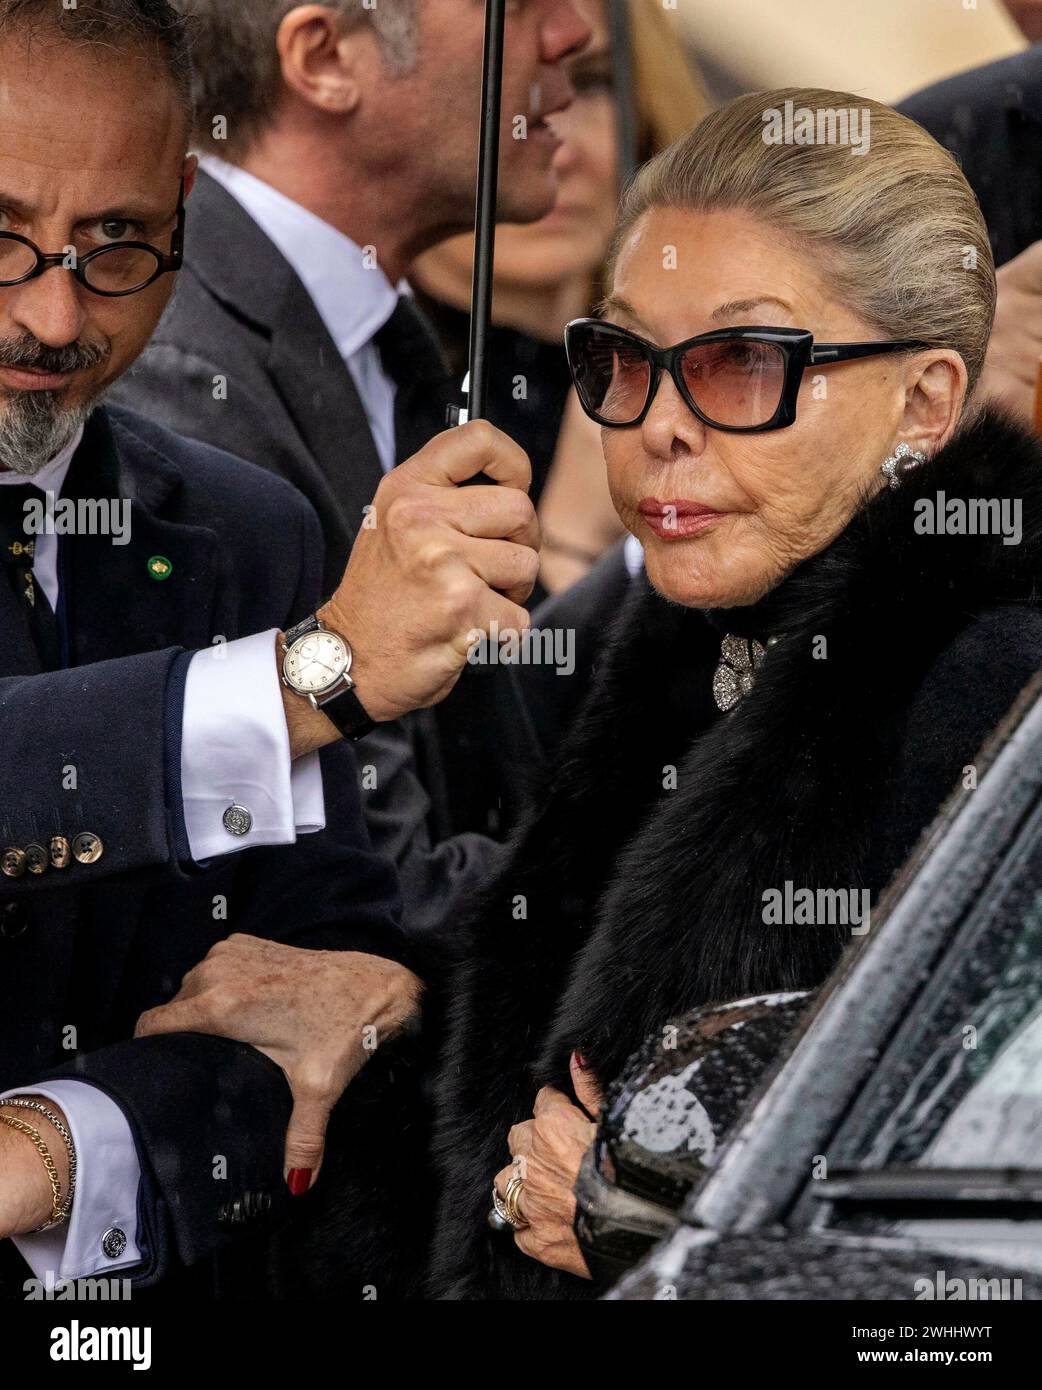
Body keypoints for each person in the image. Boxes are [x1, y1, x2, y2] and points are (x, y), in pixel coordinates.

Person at [151, 86, 1042, 1299]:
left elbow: (976, 1232)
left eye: (741, 363)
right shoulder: (691, 629)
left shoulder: (992, 686)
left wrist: (664, 1227)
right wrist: (385, 1011)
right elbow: (537, 1050)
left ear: (926, 401)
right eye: (625, 358)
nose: (659, 426)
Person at [0, 0, 539, 1297]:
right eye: (0, 236)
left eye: (116, 242)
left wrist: (68, 1142)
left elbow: (331, 992)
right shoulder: (300, 626)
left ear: (187, 209)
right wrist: (313, 674)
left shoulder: (249, 534)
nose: (55, 315)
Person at [112, 0, 591, 934]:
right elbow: (369, 900)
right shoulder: (180, 372)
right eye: (520, 5)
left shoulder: (372, 336)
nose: (570, 31)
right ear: (326, 56)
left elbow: (482, 731)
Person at [412, 0, 710, 595]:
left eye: (591, 84)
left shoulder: (722, 356)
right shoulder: (371, 377)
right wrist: (573, 534)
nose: (558, 148)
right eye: (494, 91)